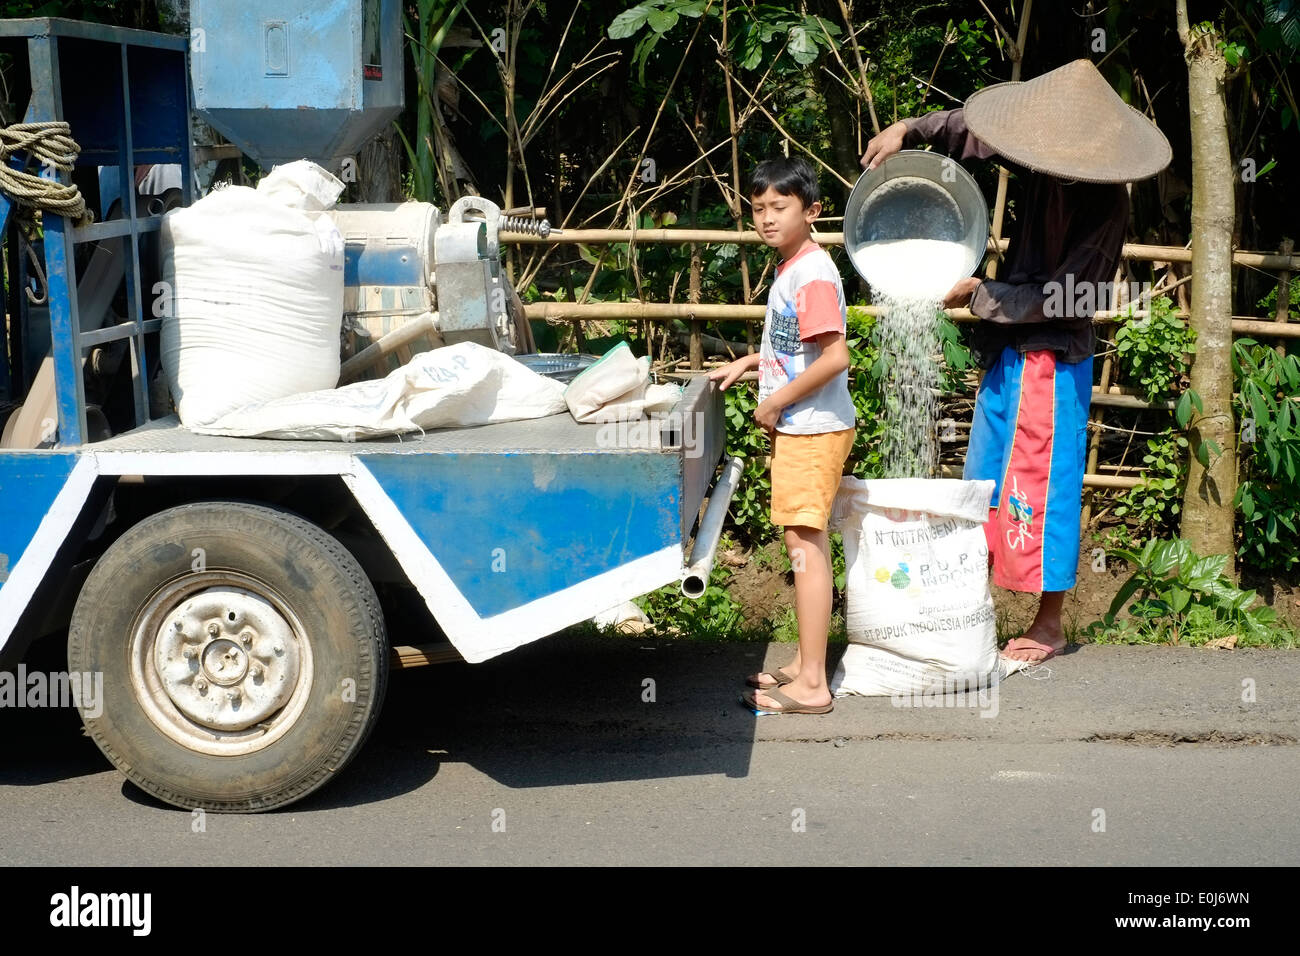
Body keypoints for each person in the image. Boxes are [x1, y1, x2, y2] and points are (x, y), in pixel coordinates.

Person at [860, 59, 1171, 663]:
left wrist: (979, 294)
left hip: (1052, 361)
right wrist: (911, 128)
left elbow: (1067, 298)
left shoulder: (1105, 206)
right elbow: (977, 130)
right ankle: (964, 610)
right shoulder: (1041, 160)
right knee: (986, 482)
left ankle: (1050, 624)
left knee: (1041, 487)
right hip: (1009, 352)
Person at [709, 156, 854, 714]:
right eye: (759, 208)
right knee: (803, 545)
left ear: (811, 211)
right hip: (805, 424)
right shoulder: (793, 266)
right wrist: (751, 362)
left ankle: (814, 686)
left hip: (811, 427)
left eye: (780, 207)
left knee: (805, 547)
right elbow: (800, 349)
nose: (766, 218)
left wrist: (773, 402)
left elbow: (835, 357)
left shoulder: (813, 273)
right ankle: (805, 663)